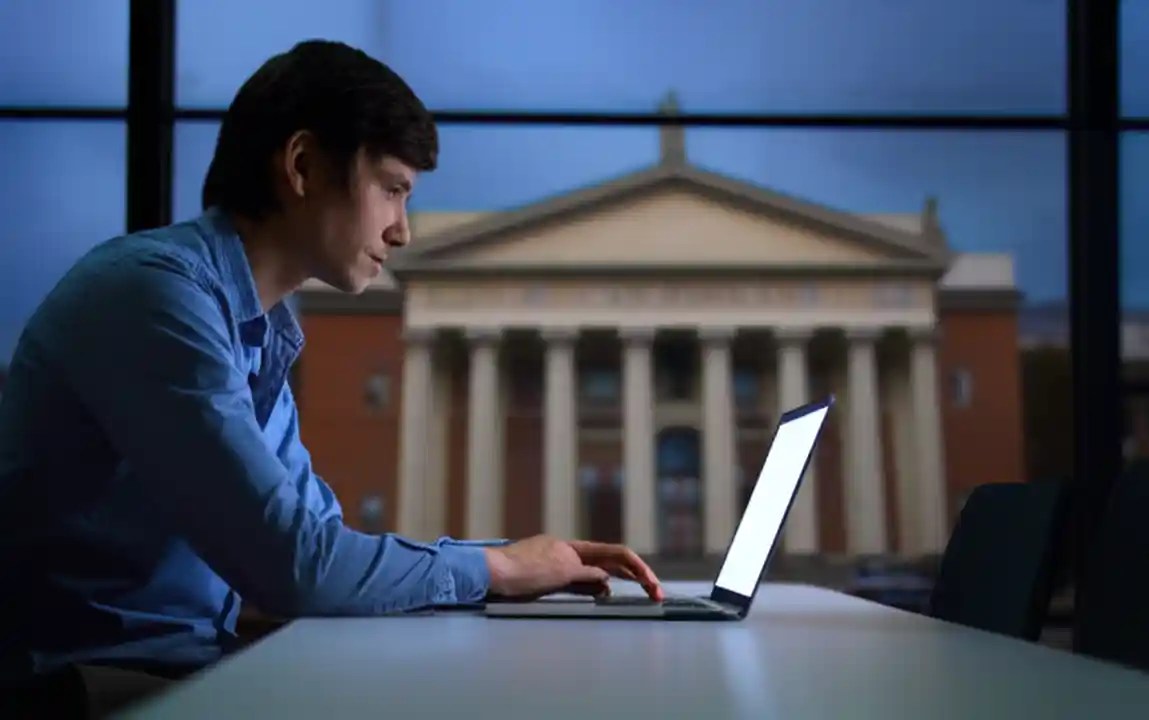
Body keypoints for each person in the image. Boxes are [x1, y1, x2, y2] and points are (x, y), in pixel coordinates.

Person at [0, 39, 662, 712]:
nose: (403, 231)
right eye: (394, 190)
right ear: (303, 166)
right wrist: (498, 568)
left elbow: (322, 546)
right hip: (84, 688)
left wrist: (517, 560)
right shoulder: (154, 298)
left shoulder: (259, 333)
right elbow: (301, 570)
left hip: (181, 673)